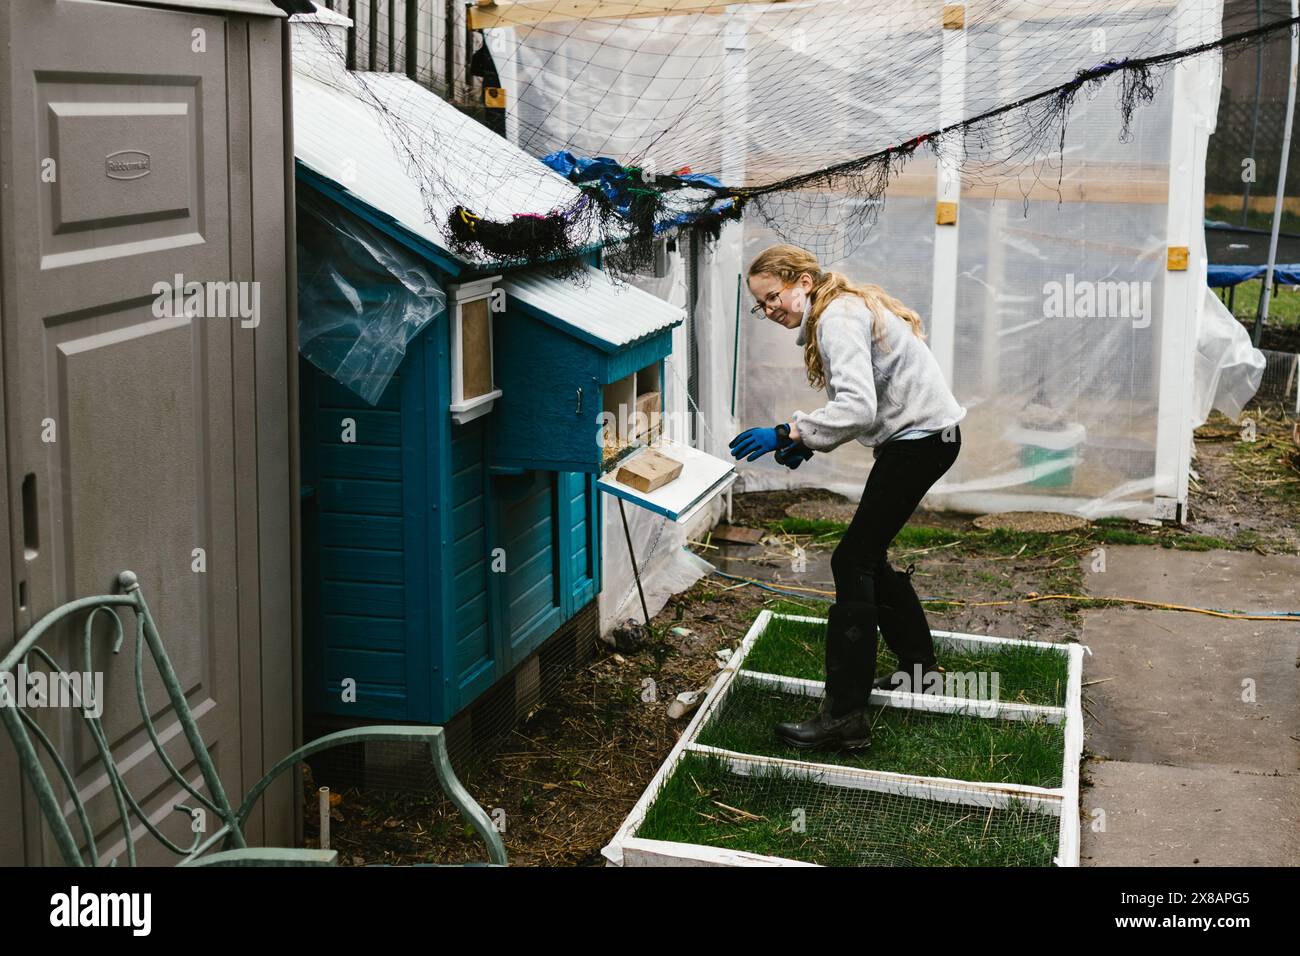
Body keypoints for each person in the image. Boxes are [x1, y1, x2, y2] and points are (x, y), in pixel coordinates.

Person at [729, 244, 966, 751]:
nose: (771, 311)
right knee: (866, 556)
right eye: (762, 305)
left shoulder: (836, 317)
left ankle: (844, 717)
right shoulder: (840, 307)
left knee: (851, 560)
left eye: (774, 297)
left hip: (921, 443)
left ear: (802, 282)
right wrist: (804, 441)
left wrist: (788, 431)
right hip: (926, 439)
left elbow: (858, 407)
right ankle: (920, 671)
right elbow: (865, 403)